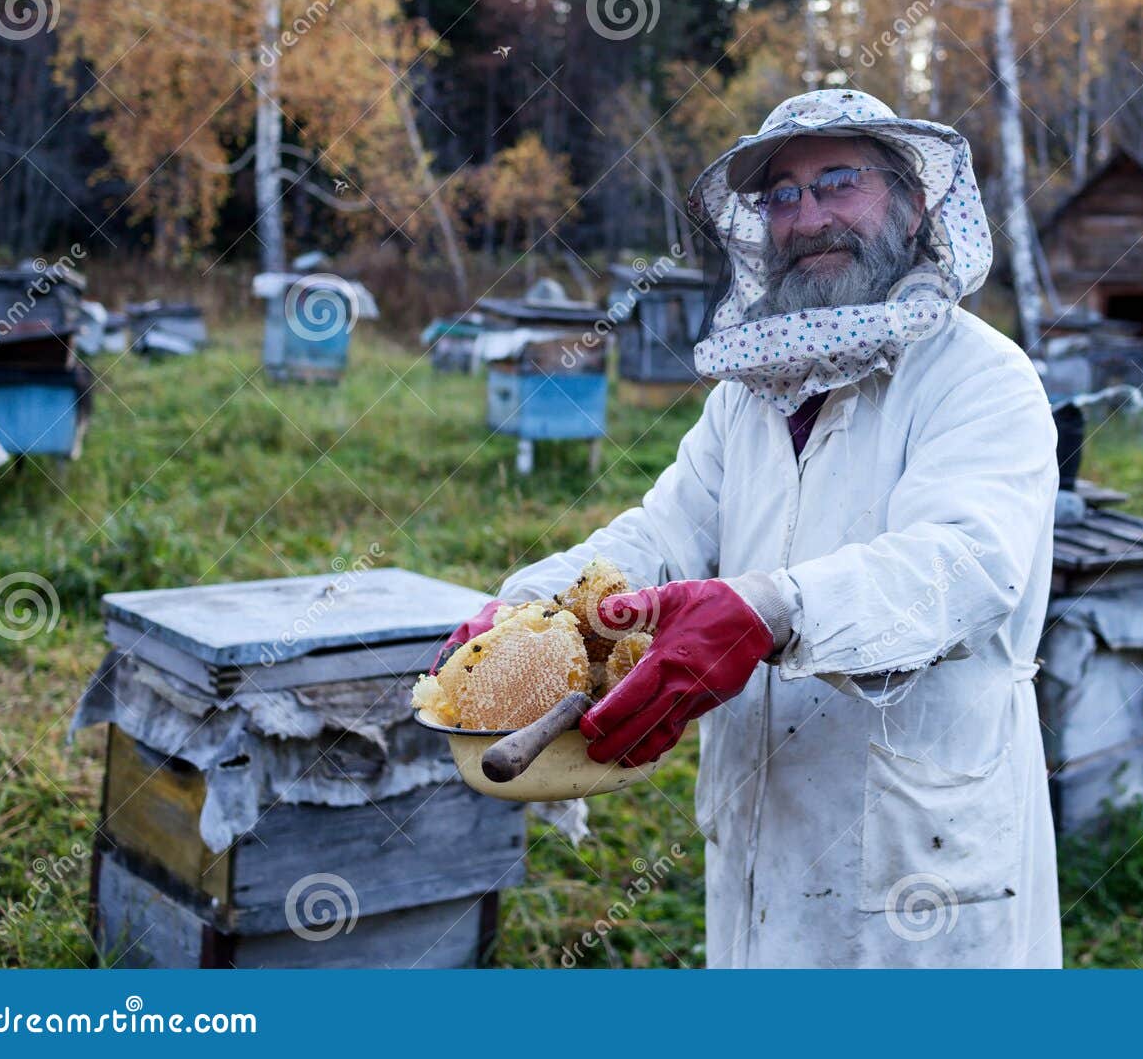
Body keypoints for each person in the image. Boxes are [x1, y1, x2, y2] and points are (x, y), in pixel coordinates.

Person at [442, 89, 1061, 967]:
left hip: (921, 864)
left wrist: (772, 605)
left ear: (914, 203)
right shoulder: (754, 394)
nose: (807, 218)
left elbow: (962, 568)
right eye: (781, 195)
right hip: (765, 827)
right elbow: (659, 534)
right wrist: (530, 607)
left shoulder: (981, 377)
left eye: (839, 182)